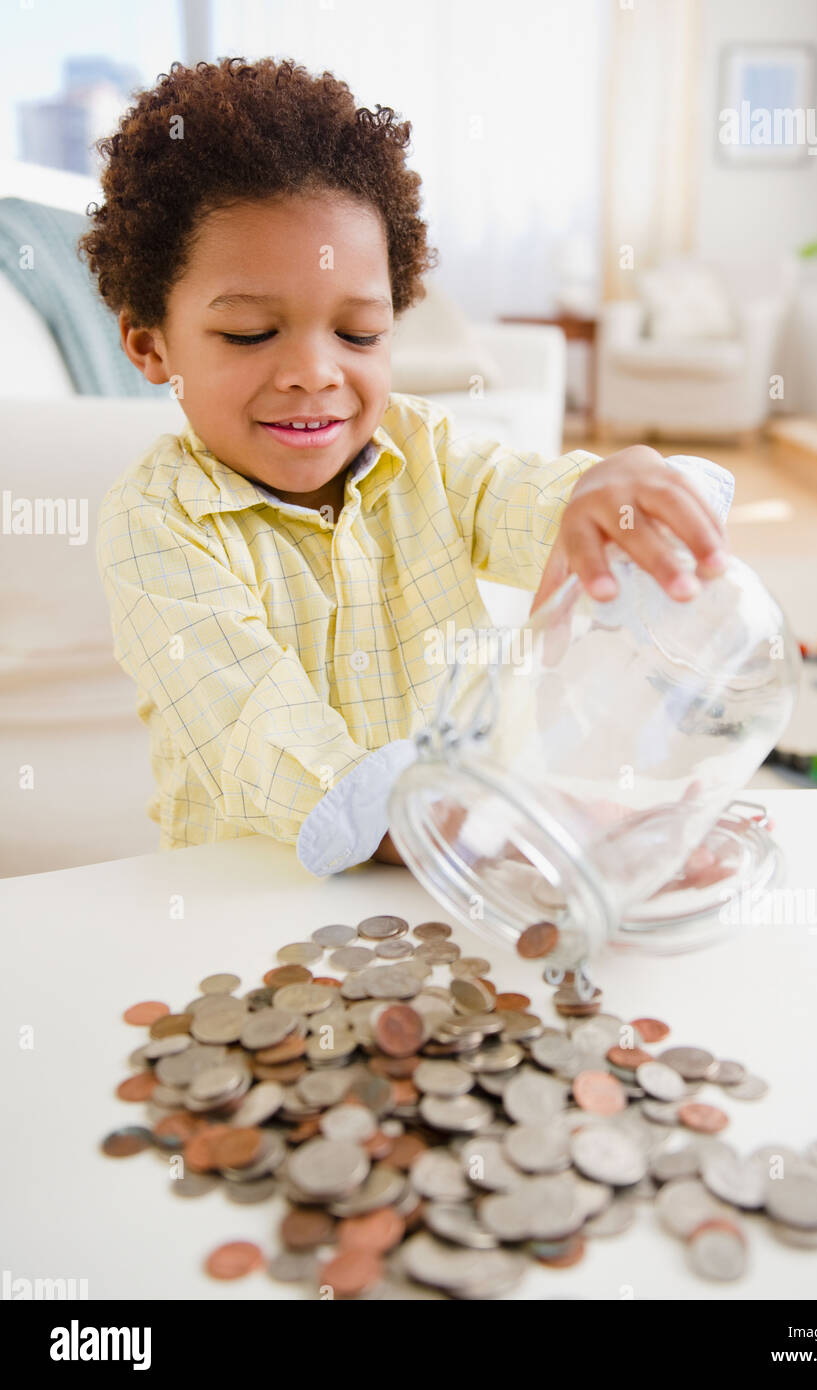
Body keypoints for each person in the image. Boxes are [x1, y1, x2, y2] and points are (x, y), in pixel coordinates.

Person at [85, 57, 734, 878]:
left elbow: (534, 501)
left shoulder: (421, 447)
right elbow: (256, 729)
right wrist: (506, 829)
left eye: (358, 335)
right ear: (150, 344)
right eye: (250, 334)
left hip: (452, 880)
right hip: (255, 898)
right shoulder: (156, 524)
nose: (316, 373)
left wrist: (614, 493)